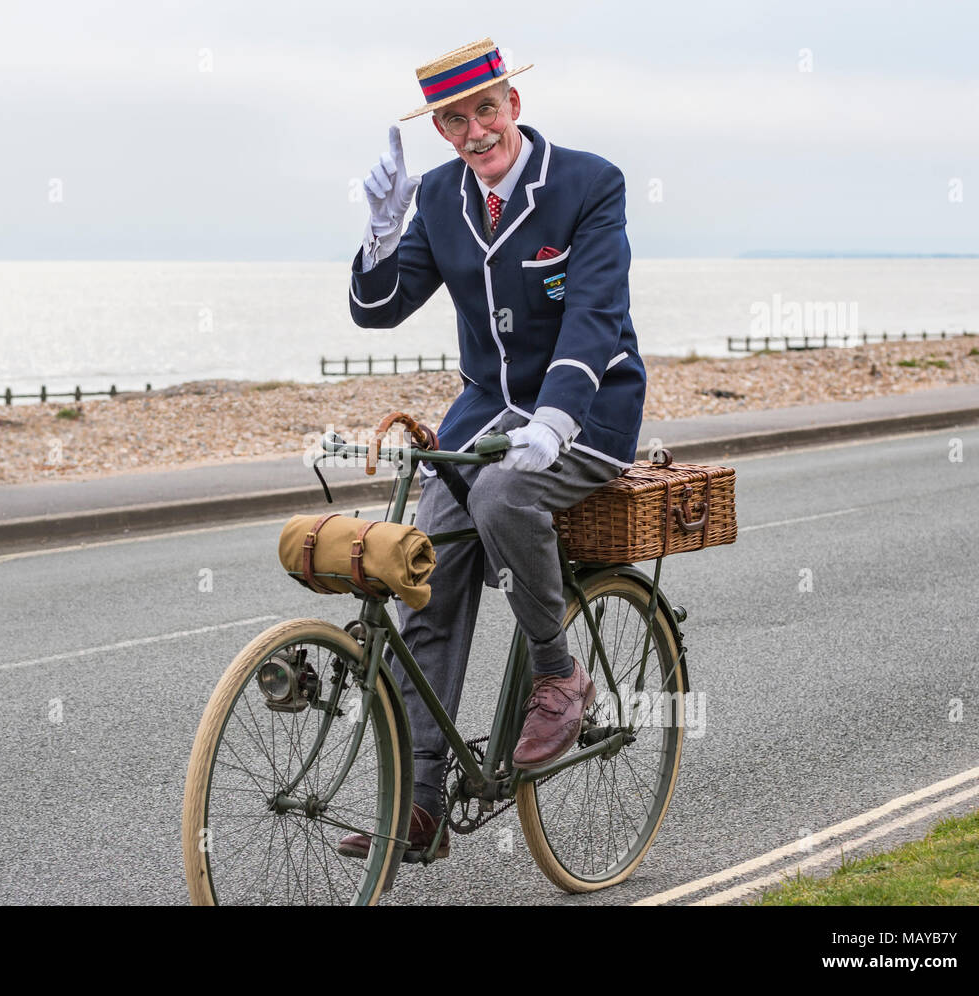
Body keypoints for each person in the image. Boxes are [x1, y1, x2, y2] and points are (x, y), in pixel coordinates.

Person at [337, 38, 648, 863]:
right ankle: (419, 806)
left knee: (506, 495)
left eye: (485, 109)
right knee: (423, 583)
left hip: (590, 412)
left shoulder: (590, 183)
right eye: (454, 119)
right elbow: (383, 310)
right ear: (440, 130)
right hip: (483, 415)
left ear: (512, 104)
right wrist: (380, 228)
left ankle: (559, 673)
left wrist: (554, 422)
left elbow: (596, 314)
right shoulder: (439, 198)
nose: (475, 131)